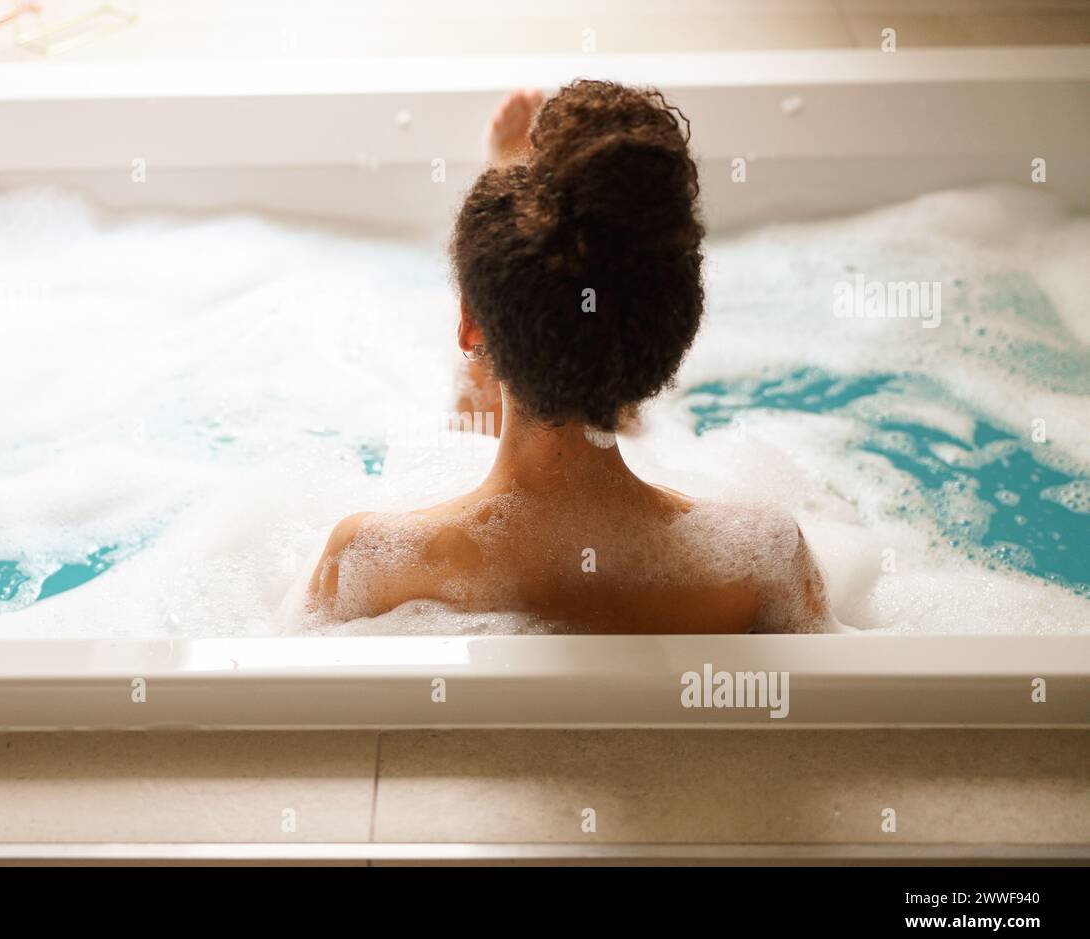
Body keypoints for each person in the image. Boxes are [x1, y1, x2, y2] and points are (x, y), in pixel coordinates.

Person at [304, 80, 834, 634]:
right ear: (675, 336)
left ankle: (522, 291)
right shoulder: (765, 560)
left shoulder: (369, 561)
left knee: (495, 395)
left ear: (464, 325)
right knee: (593, 359)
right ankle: (566, 303)